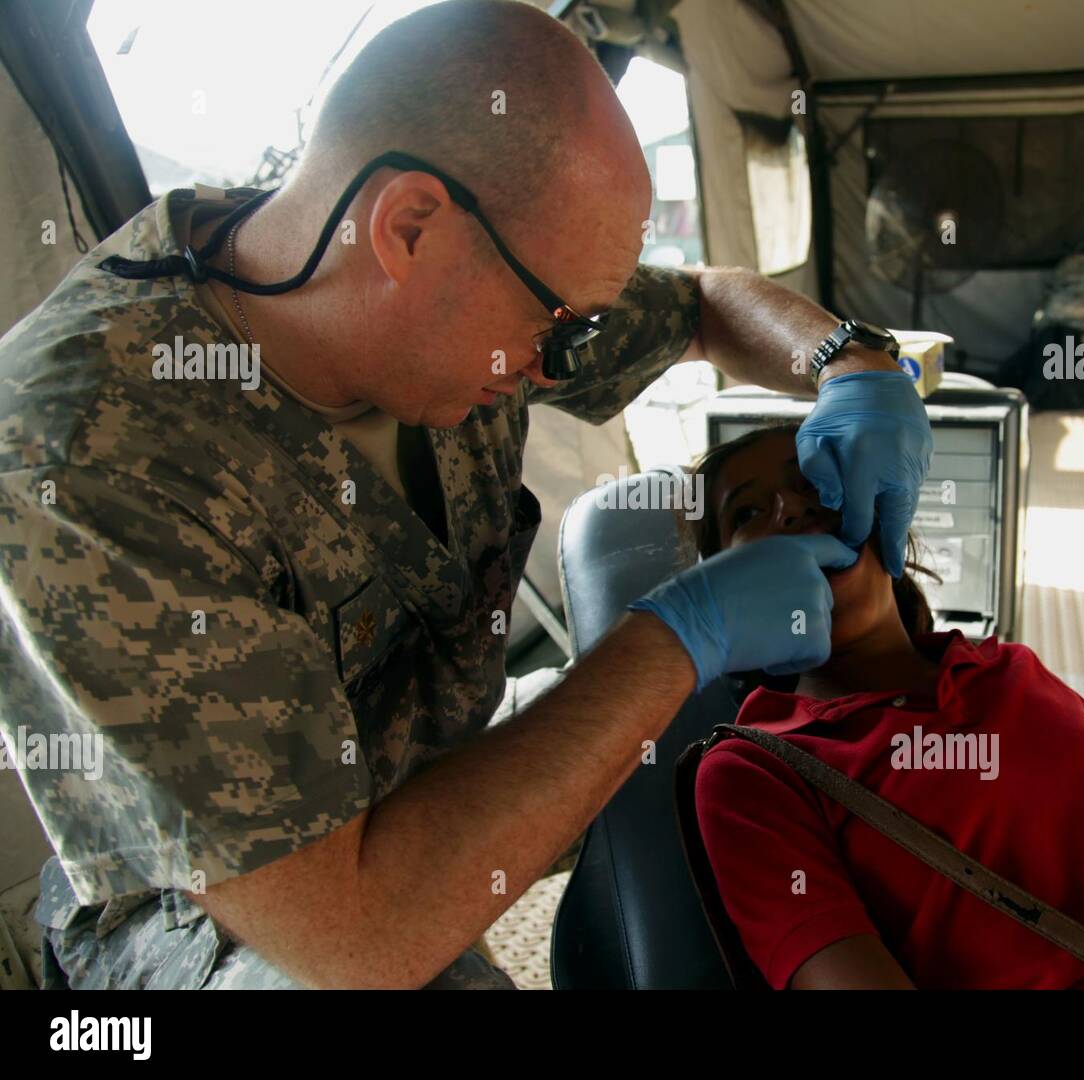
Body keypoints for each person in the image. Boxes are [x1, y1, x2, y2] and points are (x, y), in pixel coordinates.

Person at [0, 1, 930, 989]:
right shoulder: (85, 455)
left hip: (419, 748)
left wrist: (850, 363)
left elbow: (705, 304)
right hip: (224, 903)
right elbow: (354, 938)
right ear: (408, 227)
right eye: (558, 332)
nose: (555, 369)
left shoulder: (475, 283)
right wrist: (674, 637)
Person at [689, 423, 1084, 990]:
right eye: (748, 511)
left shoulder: (1013, 672)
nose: (791, 509)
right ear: (725, 586)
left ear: (882, 513)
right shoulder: (753, 774)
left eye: (813, 484)